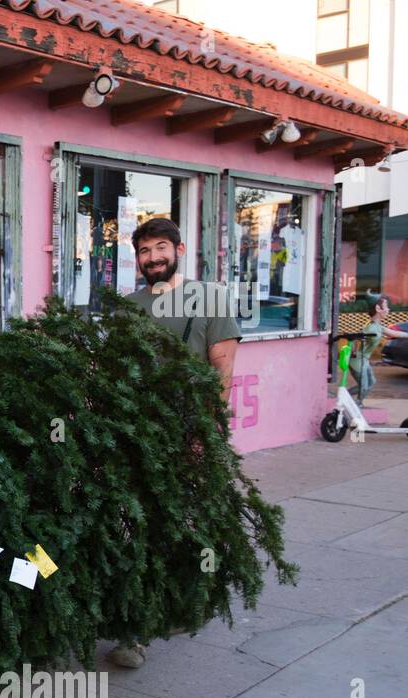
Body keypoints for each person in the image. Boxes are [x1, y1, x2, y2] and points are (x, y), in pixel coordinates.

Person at [106, 217, 243, 669]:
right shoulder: (129, 306)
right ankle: (137, 629)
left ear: (179, 250)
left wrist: (207, 431)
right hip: (137, 433)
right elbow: (117, 370)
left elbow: (221, 372)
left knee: (184, 524)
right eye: (145, 252)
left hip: (188, 432)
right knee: (138, 524)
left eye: (161, 248)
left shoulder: (211, 299)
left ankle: (184, 603)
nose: (153, 258)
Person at [349, 295, 408, 399]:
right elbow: (355, 338)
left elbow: (394, 333)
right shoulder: (370, 328)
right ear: (378, 309)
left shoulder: (377, 326)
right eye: (386, 306)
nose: (388, 309)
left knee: (371, 383)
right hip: (358, 360)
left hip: (364, 359)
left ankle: (345, 396)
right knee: (364, 387)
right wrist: (353, 350)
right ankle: (355, 403)